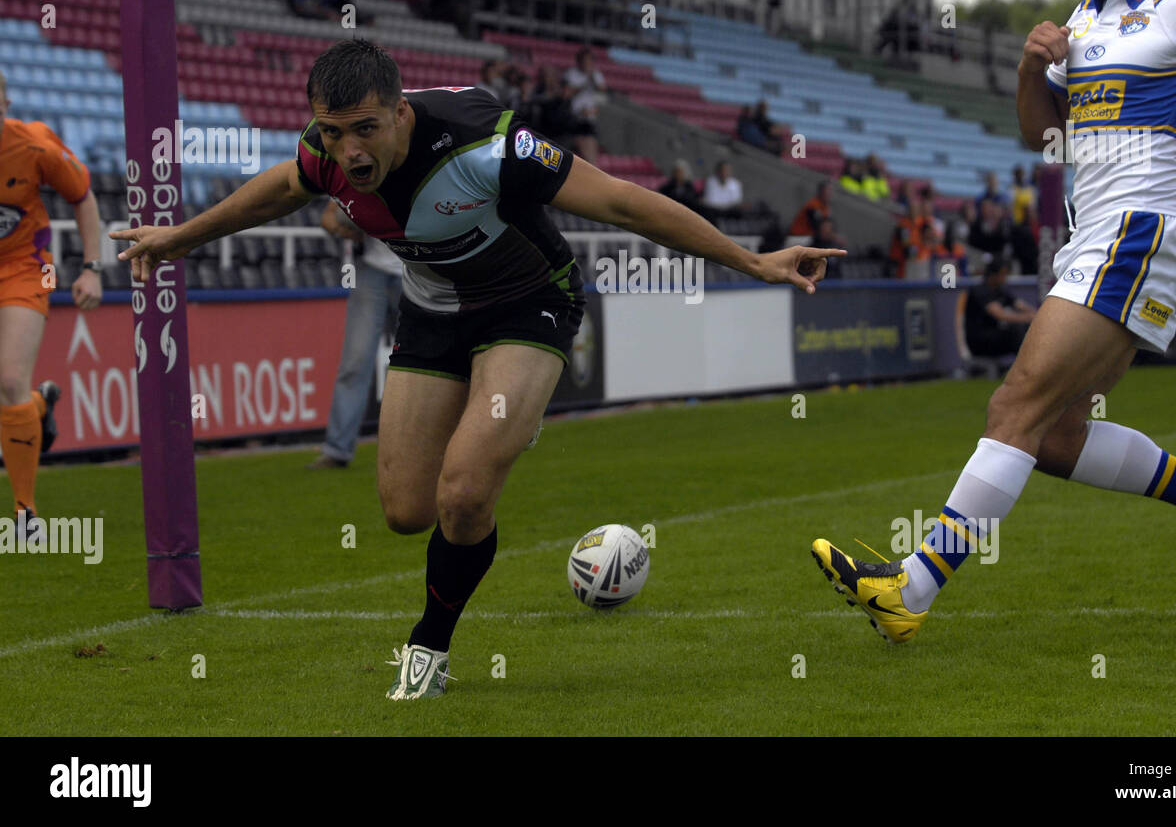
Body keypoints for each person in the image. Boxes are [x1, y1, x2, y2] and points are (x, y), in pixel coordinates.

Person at [111, 39, 843, 699]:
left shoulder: (488, 146)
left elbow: (625, 204)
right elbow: (277, 189)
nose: (350, 152)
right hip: (433, 313)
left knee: (462, 492)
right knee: (406, 511)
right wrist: (180, 237)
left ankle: (429, 643)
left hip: (530, 303)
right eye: (334, 133)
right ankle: (500, 434)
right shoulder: (324, 152)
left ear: (400, 112)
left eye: (366, 128)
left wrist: (751, 261)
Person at [812, 0, 1176, 642]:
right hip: (1093, 234)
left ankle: (910, 591)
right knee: (1058, 434)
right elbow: (1047, 141)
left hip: (1138, 229)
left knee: (1014, 407)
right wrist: (1029, 70)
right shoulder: (1087, 17)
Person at [0, 71, 103, 543]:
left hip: (24, 266)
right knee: (16, 397)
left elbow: (82, 198)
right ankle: (38, 408)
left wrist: (91, 267)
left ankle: (25, 515)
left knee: (7, 382)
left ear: (5, 104)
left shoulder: (35, 144)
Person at [307, 200, 405, 470]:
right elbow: (329, 217)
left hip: (417, 273)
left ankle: (440, 446)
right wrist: (348, 229)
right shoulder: (362, 175)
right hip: (370, 272)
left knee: (429, 363)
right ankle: (337, 449)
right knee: (355, 362)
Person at [963, 256, 1035, 357]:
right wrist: (1027, 318)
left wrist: (1036, 316)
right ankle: (1028, 364)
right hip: (979, 341)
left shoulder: (1001, 290)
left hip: (995, 335)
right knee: (1015, 331)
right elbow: (1000, 315)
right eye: (1003, 274)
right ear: (993, 274)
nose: (1005, 277)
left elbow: (1020, 305)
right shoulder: (980, 290)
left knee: (1026, 328)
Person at [563, 48, 606, 164]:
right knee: (582, 154)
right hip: (576, 116)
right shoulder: (571, 73)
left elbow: (603, 90)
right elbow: (567, 93)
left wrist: (591, 77)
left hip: (589, 116)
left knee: (591, 154)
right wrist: (584, 83)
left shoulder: (595, 74)